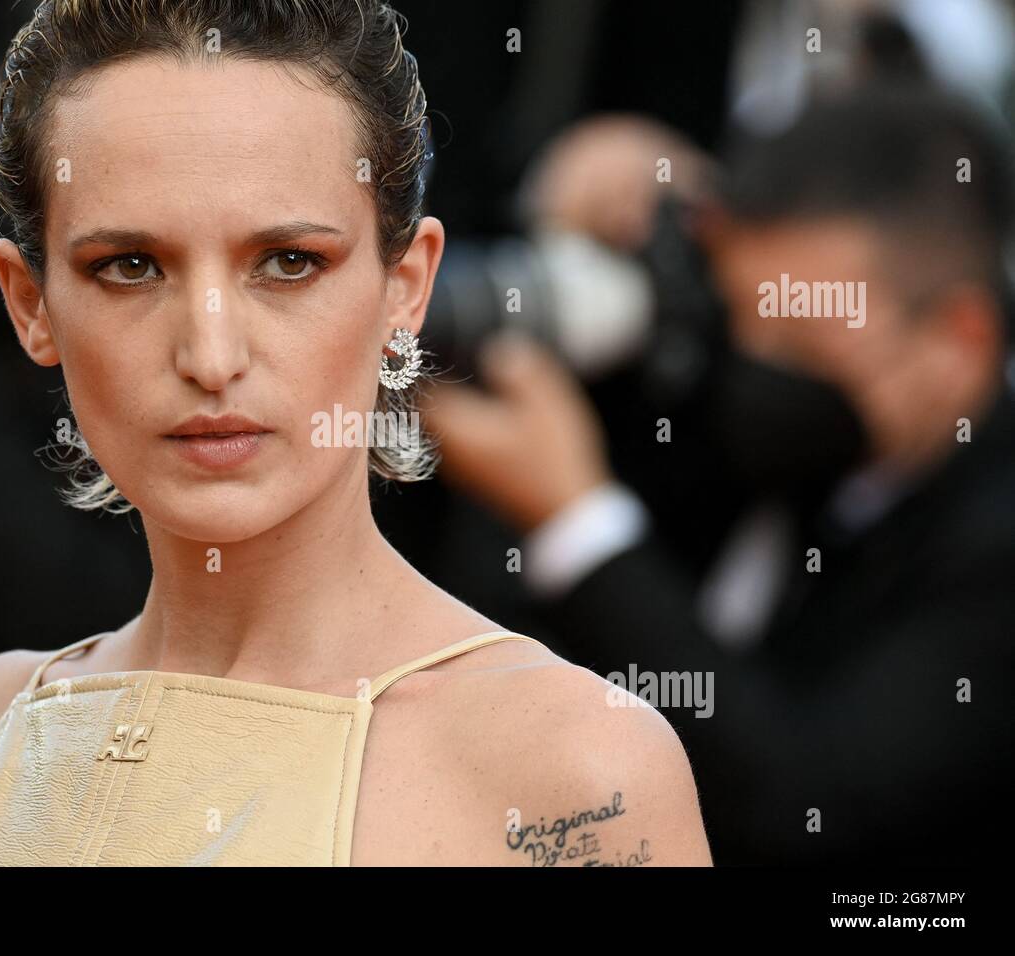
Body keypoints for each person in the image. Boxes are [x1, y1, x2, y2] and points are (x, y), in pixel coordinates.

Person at [0, 0, 712, 867]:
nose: (211, 355)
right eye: (130, 267)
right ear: (30, 305)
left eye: (288, 263)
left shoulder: (574, 771)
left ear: (405, 289)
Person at [423, 82, 1015, 864]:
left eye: (801, 349)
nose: (752, 377)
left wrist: (578, 523)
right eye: (738, 326)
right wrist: (583, 196)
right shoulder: (750, 407)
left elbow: (810, 812)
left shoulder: (992, 553)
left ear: (959, 338)